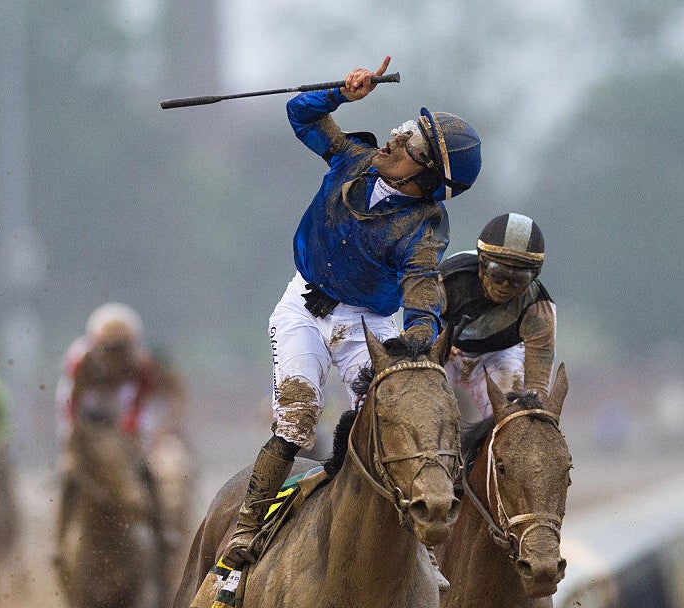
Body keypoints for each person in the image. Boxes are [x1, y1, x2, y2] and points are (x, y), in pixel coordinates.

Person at [217, 57, 482, 573]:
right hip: (303, 307)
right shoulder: (351, 158)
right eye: (403, 130)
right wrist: (340, 94)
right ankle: (248, 524)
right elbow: (301, 115)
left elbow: (422, 290)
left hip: (369, 325)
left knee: (401, 415)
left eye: (411, 144)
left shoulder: (426, 227)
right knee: (296, 422)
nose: (393, 140)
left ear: (426, 177)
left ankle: (419, 540)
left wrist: (420, 340)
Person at [54, 303, 165, 554]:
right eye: (110, 349)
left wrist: (131, 434)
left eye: (121, 349)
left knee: (146, 468)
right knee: (69, 471)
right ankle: (59, 541)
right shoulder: (80, 359)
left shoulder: (143, 364)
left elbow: (139, 403)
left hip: (117, 411)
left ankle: (161, 533)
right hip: (84, 410)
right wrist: (73, 441)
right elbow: (72, 401)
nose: (115, 357)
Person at [439, 212, 555, 435]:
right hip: (446, 349)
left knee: (515, 420)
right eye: (498, 274)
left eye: (518, 280)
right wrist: (436, 345)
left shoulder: (538, 307)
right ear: (481, 265)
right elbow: (420, 322)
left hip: (499, 355)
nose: (504, 286)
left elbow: (537, 386)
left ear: (534, 277)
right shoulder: (450, 277)